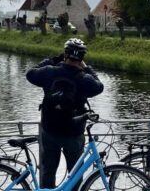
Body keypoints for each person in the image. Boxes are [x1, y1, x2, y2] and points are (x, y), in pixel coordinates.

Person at [25, 38, 104, 188]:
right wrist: (87, 68)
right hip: (74, 131)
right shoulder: (84, 79)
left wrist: (52, 60)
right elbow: (99, 86)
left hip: (49, 130)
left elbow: (30, 73)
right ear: (82, 58)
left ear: (65, 54)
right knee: (75, 174)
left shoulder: (49, 72)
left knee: (48, 172)